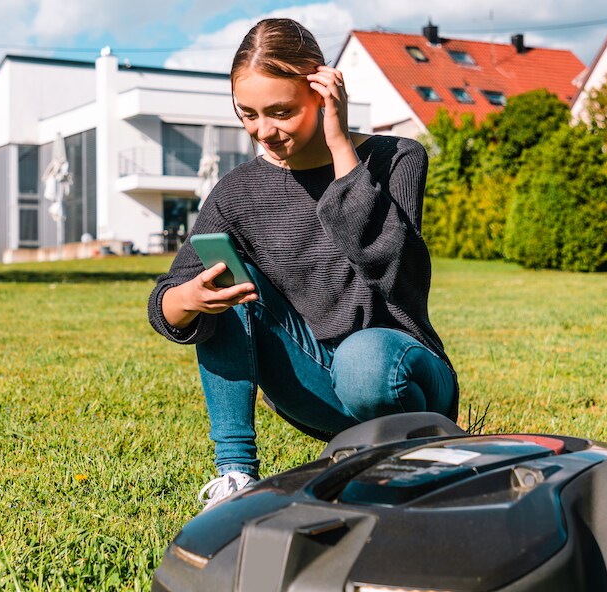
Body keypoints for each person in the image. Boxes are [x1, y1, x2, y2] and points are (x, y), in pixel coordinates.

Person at [147, 18, 458, 510]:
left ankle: (416, 450)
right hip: (314, 387)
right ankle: (235, 477)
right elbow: (167, 298)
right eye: (247, 113)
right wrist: (188, 299)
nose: (263, 131)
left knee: (363, 359)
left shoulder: (398, 157)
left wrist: (339, 148)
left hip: (402, 374)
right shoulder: (235, 193)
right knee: (225, 284)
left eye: (281, 112)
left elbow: (392, 270)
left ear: (323, 89)